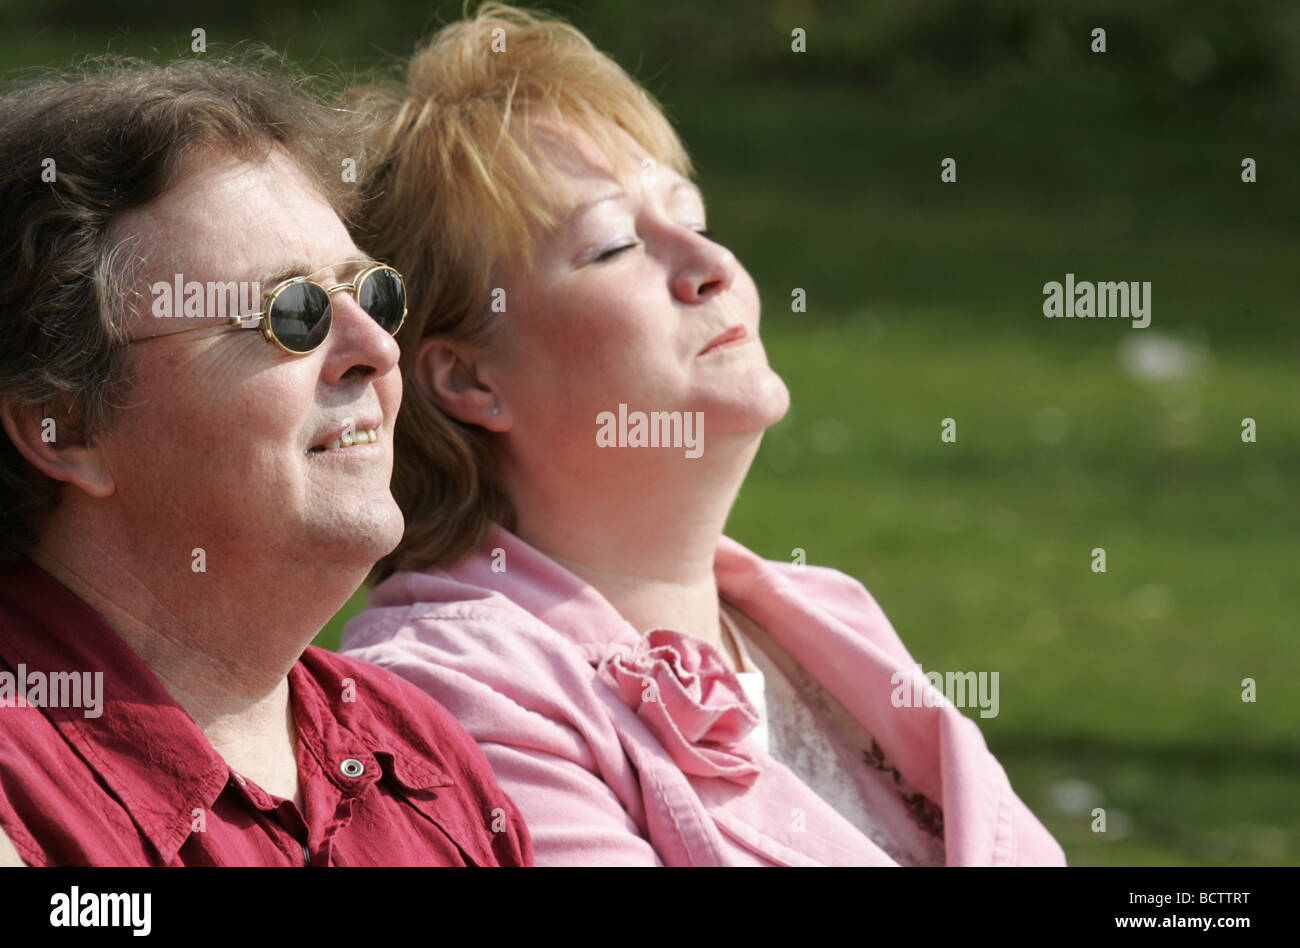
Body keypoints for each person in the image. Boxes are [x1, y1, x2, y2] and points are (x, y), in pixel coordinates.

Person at [341, 3, 1065, 866]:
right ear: (467, 380)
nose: (710, 265)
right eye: (614, 245)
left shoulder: (826, 619)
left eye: (697, 218)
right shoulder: (458, 691)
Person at [0, 56, 531, 866]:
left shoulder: (423, 759)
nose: (378, 349)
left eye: (372, 294)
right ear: (64, 425)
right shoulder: (20, 782)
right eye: (292, 313)